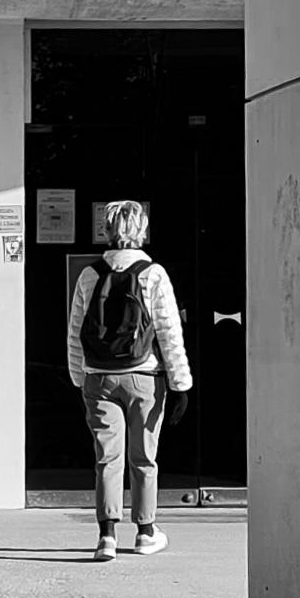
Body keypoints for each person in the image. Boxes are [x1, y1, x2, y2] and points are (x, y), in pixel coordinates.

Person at [65, 198, 191, 560]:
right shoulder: (153, 273)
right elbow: (169, 331)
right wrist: (181, 382)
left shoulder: (90, 274)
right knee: (143, 457)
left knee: (107, 457)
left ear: (106, 230)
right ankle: (145, 532)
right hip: (144, 376)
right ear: (143, 230)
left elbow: (76, 330)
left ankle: (106, 536)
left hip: (99, 378)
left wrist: (79, 376)